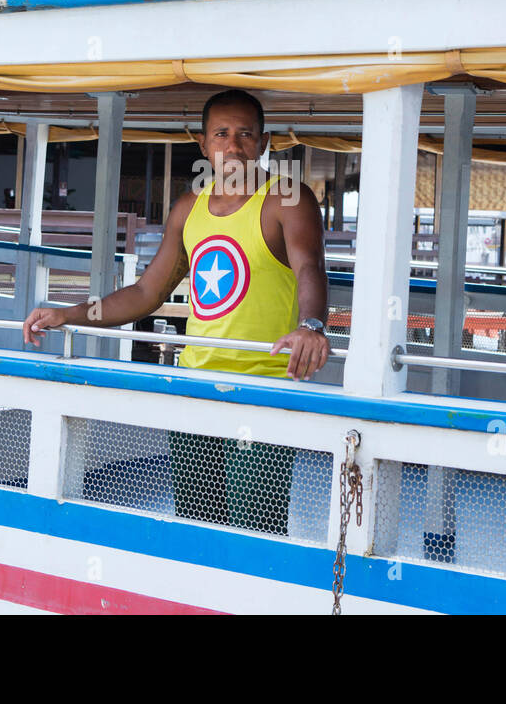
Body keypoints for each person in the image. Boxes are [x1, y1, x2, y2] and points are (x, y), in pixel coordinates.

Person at [23, 89, 330, 535]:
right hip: (194, 386)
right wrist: (68, 313)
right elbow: (146, 291)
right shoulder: (190, 208)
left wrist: (311, 327)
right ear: (203, 145)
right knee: (196, 523)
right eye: (221, 134)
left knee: (255, 530)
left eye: (245, 134)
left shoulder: (287, 198)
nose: (233, 145)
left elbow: (310, 269)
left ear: (264, 144)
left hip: (262, 389)